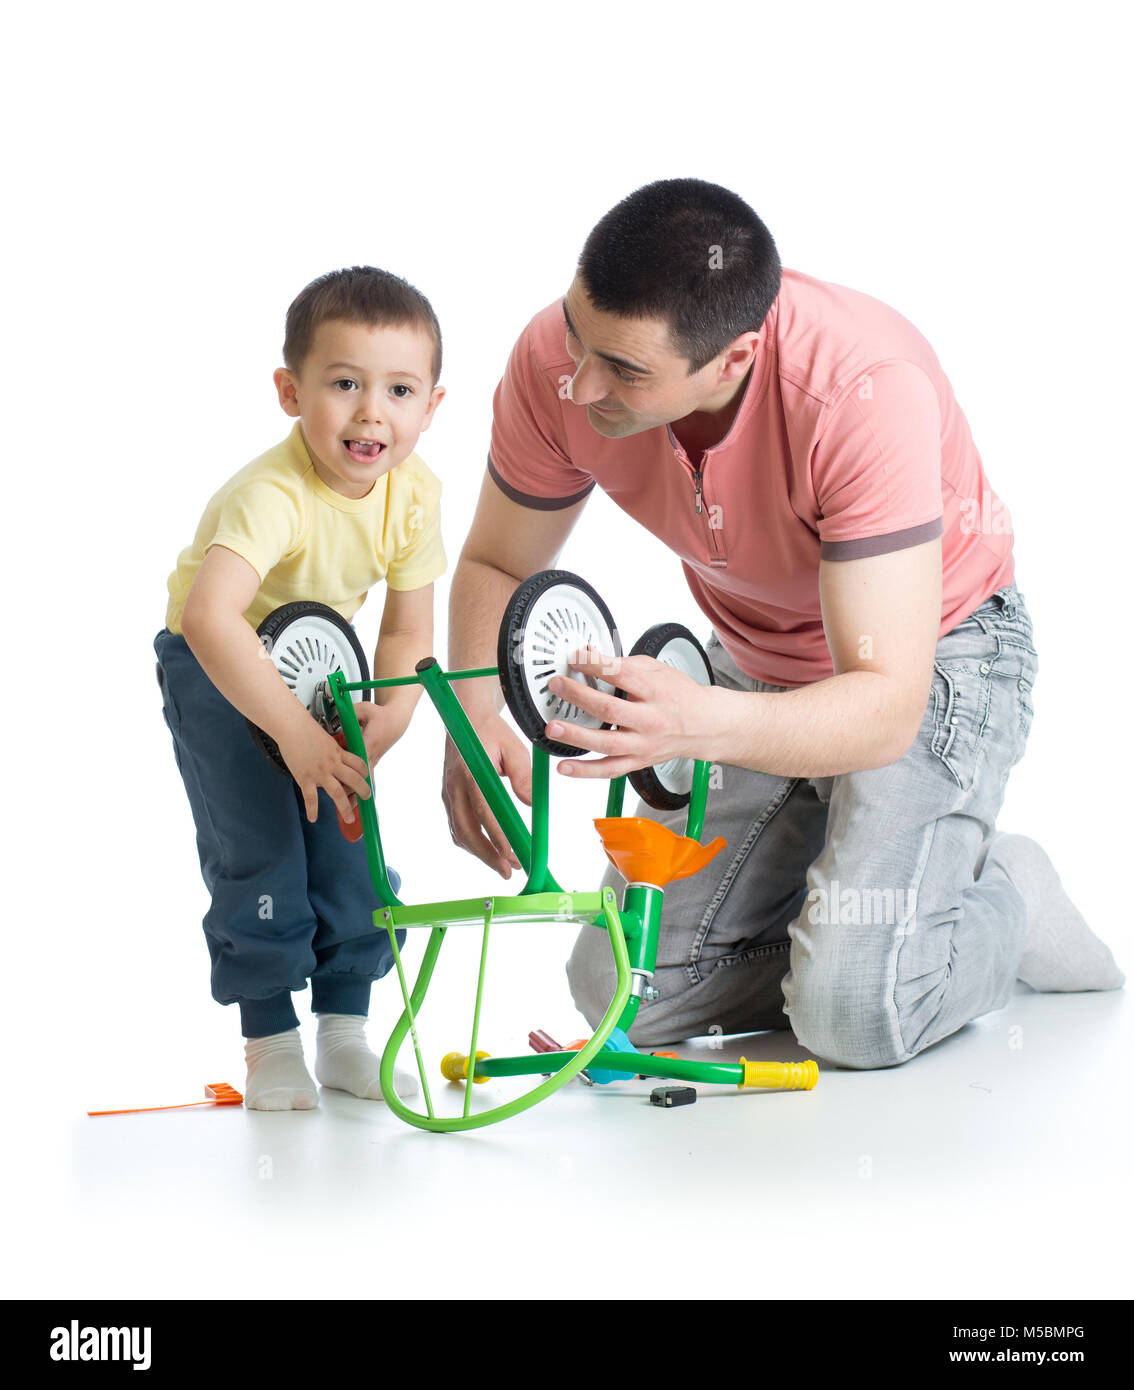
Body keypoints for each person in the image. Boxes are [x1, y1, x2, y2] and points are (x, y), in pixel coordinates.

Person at [441, 179, 1124, 1071]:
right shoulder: (555, 363)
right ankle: (858, 927)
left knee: (856, 1019)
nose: (580, 383)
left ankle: (998, 899)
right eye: (578, 335)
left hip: (934, 658)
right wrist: (470, 721)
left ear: (735, 359)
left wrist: (695, 723)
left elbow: (885, 707)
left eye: (626, 371)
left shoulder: (862, 392)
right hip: (753, 657)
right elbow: (498, 562)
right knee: (621, 996)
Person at [155, 266, 446, 1108]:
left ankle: (345, 1036)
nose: (372, 413)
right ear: (291, 392)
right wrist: (291, 734)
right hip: (219, 661)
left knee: (349, 844)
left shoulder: (414, 494)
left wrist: (393, 713)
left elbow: (406, 632)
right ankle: (271, 1044)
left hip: (320, 660)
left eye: (399, 390)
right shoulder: (271, 495)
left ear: (432, 407)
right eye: (345, 384)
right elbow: (210, 618)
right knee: (262, 849)